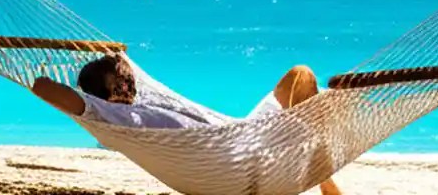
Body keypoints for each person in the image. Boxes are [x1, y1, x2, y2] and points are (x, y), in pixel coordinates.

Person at [32, 54, 342, 195]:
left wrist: (110, 60)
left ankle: (320, 172)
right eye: (120, 82)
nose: (129, 83)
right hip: (245, 162)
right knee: (315, 106)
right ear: (106, 93)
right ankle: (325, 180)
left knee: (300, 77)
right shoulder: (113, 116)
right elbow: (43, 87)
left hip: (243, 136)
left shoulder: (138, 104)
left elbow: (121, 68)